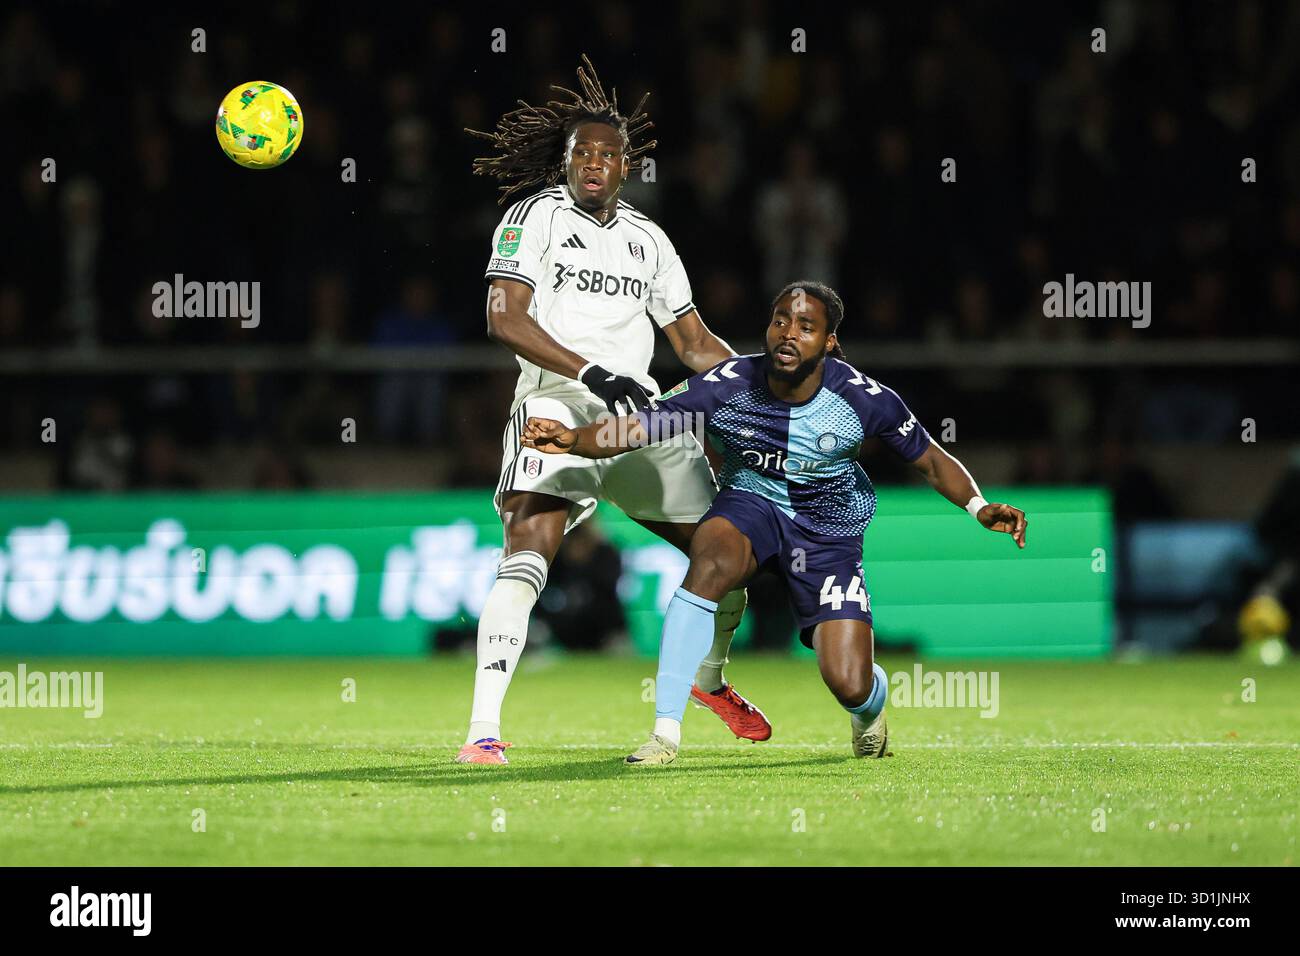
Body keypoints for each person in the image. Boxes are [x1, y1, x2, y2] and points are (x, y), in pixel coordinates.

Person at [522, 281, 1028, 765]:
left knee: (848, 682)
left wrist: (978, 506)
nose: (789, 333)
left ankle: (869, 708)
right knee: (710, 556)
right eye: (780, 321)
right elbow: (645, 424)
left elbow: (931, 460)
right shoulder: (730, 382)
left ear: (829, 342)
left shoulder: (863, 398)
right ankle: (664, 731)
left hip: (829, 530)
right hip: (752, 506)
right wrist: (575, 439)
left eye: (806, 327)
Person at [456, 56, 768, 765]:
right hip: (556, 406)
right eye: (581, 153)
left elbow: (691, 342)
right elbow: (504, 316)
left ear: (628, 166)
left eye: (608, 154)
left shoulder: (647, 240)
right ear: (564, 161)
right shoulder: (534, 216)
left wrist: (760, 390)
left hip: (640, 420)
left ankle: (709, 681)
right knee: (527, 553)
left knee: (728, 557)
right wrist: (592, 369)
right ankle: (482, 733)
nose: (594, 163)